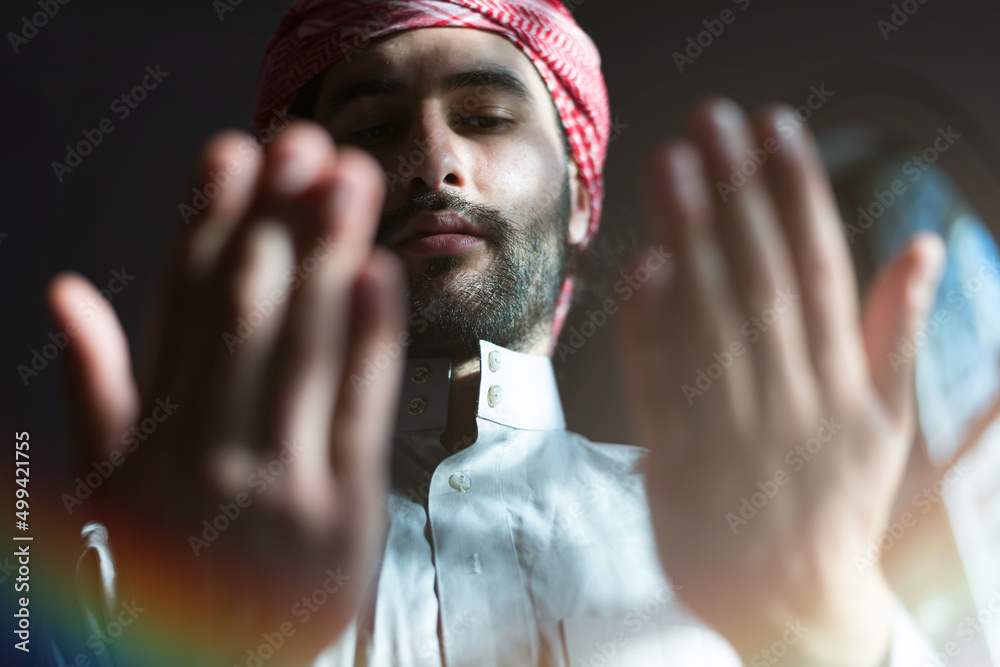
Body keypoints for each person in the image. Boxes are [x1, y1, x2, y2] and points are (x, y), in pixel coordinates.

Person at [45, 0, 950, 665]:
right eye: (374, 127)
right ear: (308, 204)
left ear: (581, 199)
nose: (434, 160)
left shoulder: (754, 528)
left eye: (484, 117)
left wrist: (823, 617)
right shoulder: (143, 567)